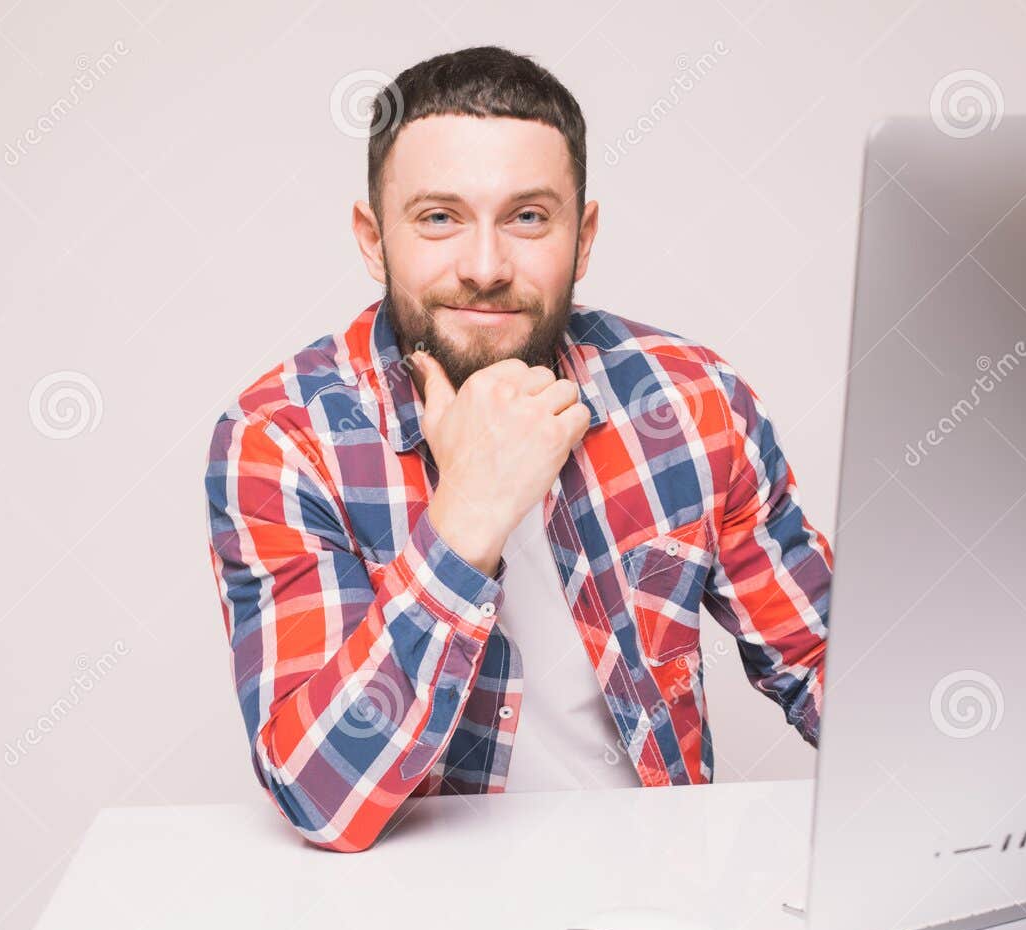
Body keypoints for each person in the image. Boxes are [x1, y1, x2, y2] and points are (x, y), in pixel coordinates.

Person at [205, 45, 831, 851]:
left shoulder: (689, 399)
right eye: (439, 218)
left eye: (528, 217)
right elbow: (321, 793)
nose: (486, 267)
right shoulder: (281, 438)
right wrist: (471, 510)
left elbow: (826, 665)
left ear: (585, 234)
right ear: (372, 239)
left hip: (659, 918)